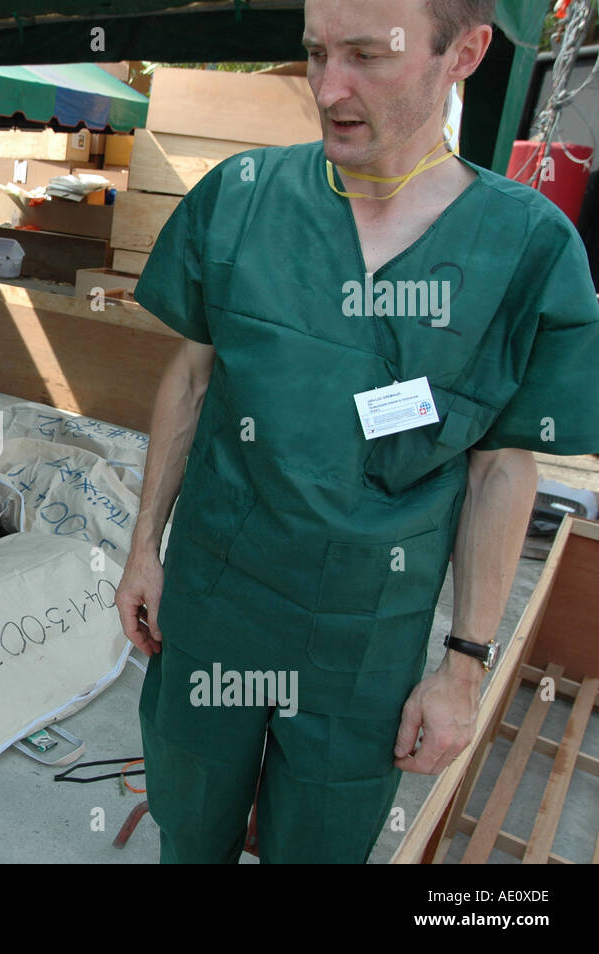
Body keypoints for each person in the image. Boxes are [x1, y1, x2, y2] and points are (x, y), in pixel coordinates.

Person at [117, 0, 599, 863]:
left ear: (466, 53)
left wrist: (463, 667)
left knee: (322, 844)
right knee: (190, 824)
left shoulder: (526, 251)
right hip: (217, 602)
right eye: (315, 54)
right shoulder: (243, 200)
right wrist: (144, 545)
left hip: (364, 639)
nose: (329, 89)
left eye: (369, 57)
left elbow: (499, 469)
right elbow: (193, 374)